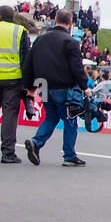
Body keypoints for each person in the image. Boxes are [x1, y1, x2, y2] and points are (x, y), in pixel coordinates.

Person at [23, 9, 87, 167]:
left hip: (43, 85)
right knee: (70, 120)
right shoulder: (70, 41)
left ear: (55, 19)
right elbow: (76, 67)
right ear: (70, 23)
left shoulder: (40, 39)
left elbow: (28, 64)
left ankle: (36, 142)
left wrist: (30, 87)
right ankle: (69, 156)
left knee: (51, 117)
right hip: (63, 86)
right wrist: (84, 86)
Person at [0, 4, 31, 163]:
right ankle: (8, 153)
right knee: (9, 116)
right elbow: (26, 58)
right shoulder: (20, 31)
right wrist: (27, 84)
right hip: (13, 80)